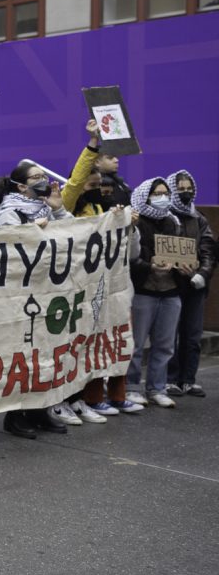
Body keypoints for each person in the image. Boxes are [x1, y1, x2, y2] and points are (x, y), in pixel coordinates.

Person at [55, 120, 141, 422]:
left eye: (100, 186)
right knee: (77, 347)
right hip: (74, 289)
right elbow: (77, 181)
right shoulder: (66, 207)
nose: (97, 190)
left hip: (104, 287)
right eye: (91, 186)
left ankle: (105, 396)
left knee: (106, 342)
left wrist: (125, 226)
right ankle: (78, 398)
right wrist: (92, 143)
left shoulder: (102, 212)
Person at [0, 159, 73, 438]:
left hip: (48, 289)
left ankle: (39, 410)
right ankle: (15, 416)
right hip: (21, 293)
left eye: (43, 176)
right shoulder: (8, 211)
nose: (43, 181)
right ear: (21, 185)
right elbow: (9, 245)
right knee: (21, 355)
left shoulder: (46, 207)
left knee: (45, 353)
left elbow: (75, 234)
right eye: (36, 177)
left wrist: (59, 208)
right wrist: (33, 229)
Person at [126, 178, 186, 410]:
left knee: (165, 344)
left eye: (165, 193)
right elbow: (130, 259)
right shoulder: (136, 221)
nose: (163, 198)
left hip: (171, 290)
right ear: (145, 196)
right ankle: (131, 387)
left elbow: (182, 251)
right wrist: (148, 265)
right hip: (144, 291)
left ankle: (157, 388)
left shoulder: (174, 222)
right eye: (157, 194)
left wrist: (186, 267)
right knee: (136, 344)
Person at [166, 169, 215, 398]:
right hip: (171, 284)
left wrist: (202, 274)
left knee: (193, 335)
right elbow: (159, 249)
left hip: (195, 286)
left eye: (189, 189)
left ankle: (188, 380)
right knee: (169, 335)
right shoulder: (164, 217)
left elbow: (208, 249)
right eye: (181, 189)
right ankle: (170, 379)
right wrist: (176, 266)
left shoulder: (200, 218)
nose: (186, 193)